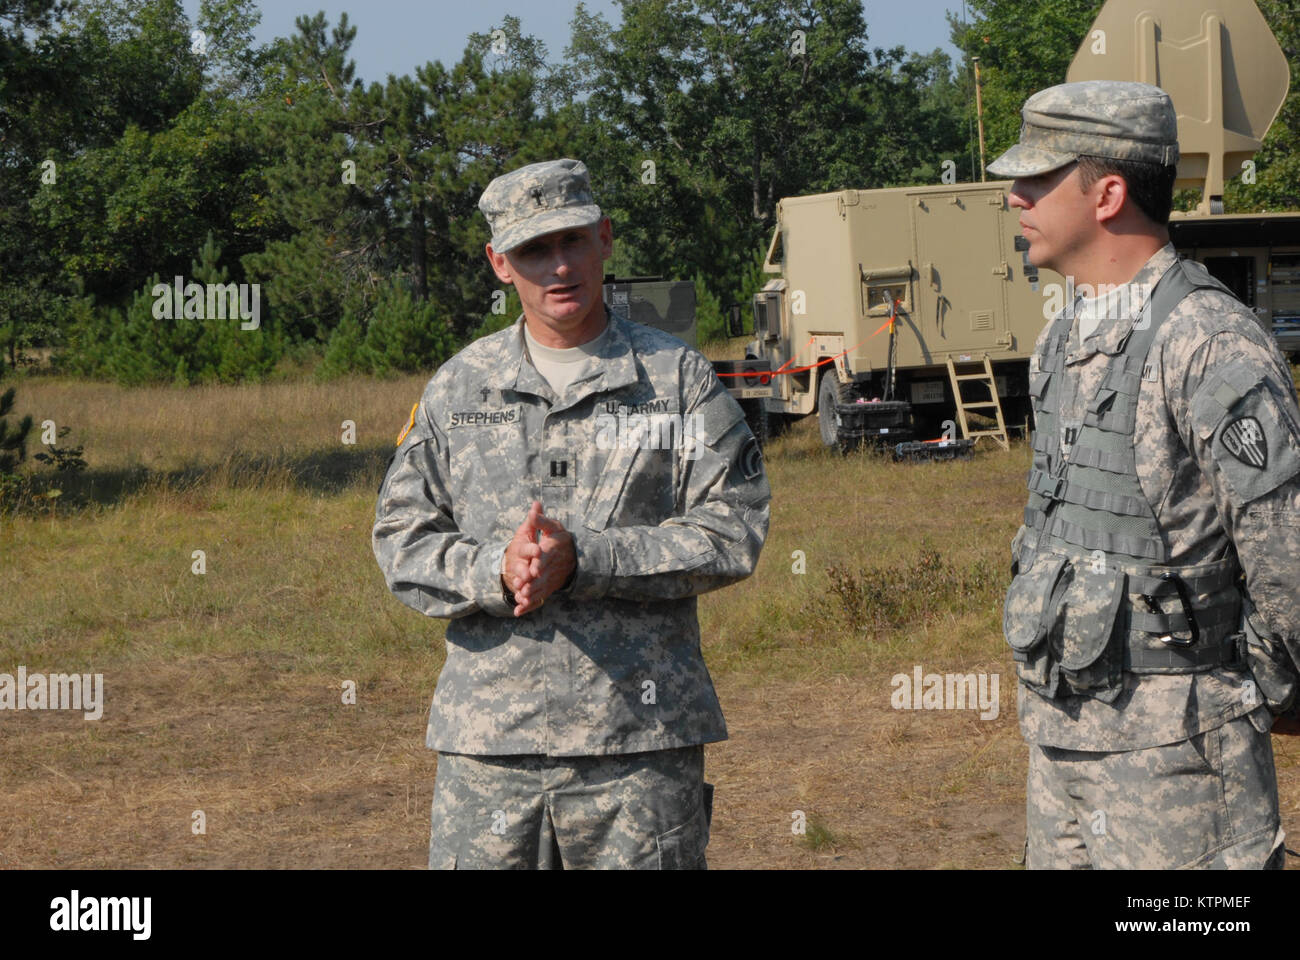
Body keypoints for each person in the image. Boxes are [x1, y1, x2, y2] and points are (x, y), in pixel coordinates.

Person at [371, 157, 770, 869]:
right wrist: (494, 567)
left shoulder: (676, 381)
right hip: (492, 748)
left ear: (605, 238)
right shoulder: (460, 386)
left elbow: (733, 528)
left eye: (573, 241)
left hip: (637, 745)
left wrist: (585, 559)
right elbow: (402, 537)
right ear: (500, 263)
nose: (559, 267)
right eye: (533, 250)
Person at [990, 80, 1300, 869]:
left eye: (1037, 177)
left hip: (1183, 766)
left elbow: (1288, 562)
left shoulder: (1208, 341)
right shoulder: (1063, 338)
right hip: (1063, 748)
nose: (1015, 196)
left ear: (1110, 194)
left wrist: (1249, 695)